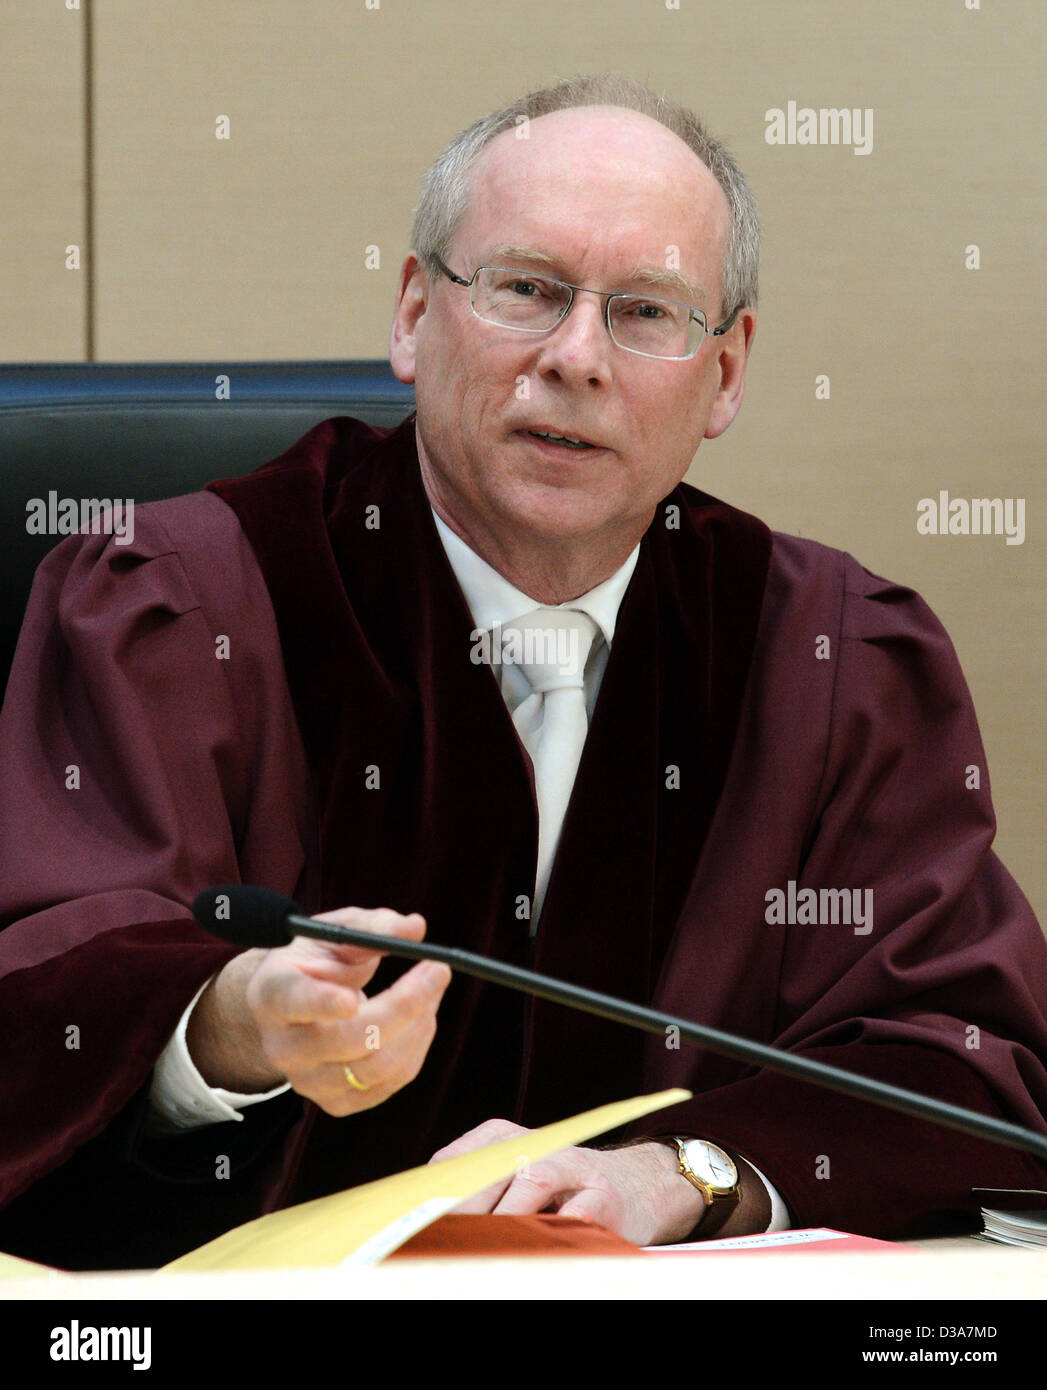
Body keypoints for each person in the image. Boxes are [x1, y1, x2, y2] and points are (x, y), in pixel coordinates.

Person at [2, 73, 1046, 1271]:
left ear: (729, 372)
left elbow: (965, 1059)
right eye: (526, 289)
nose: (576, 357)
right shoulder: (175, 606)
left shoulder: (835, 659)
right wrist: (226, 1025)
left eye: (647, 312)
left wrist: (688, 1172)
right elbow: (44, 991)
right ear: (411, 313)